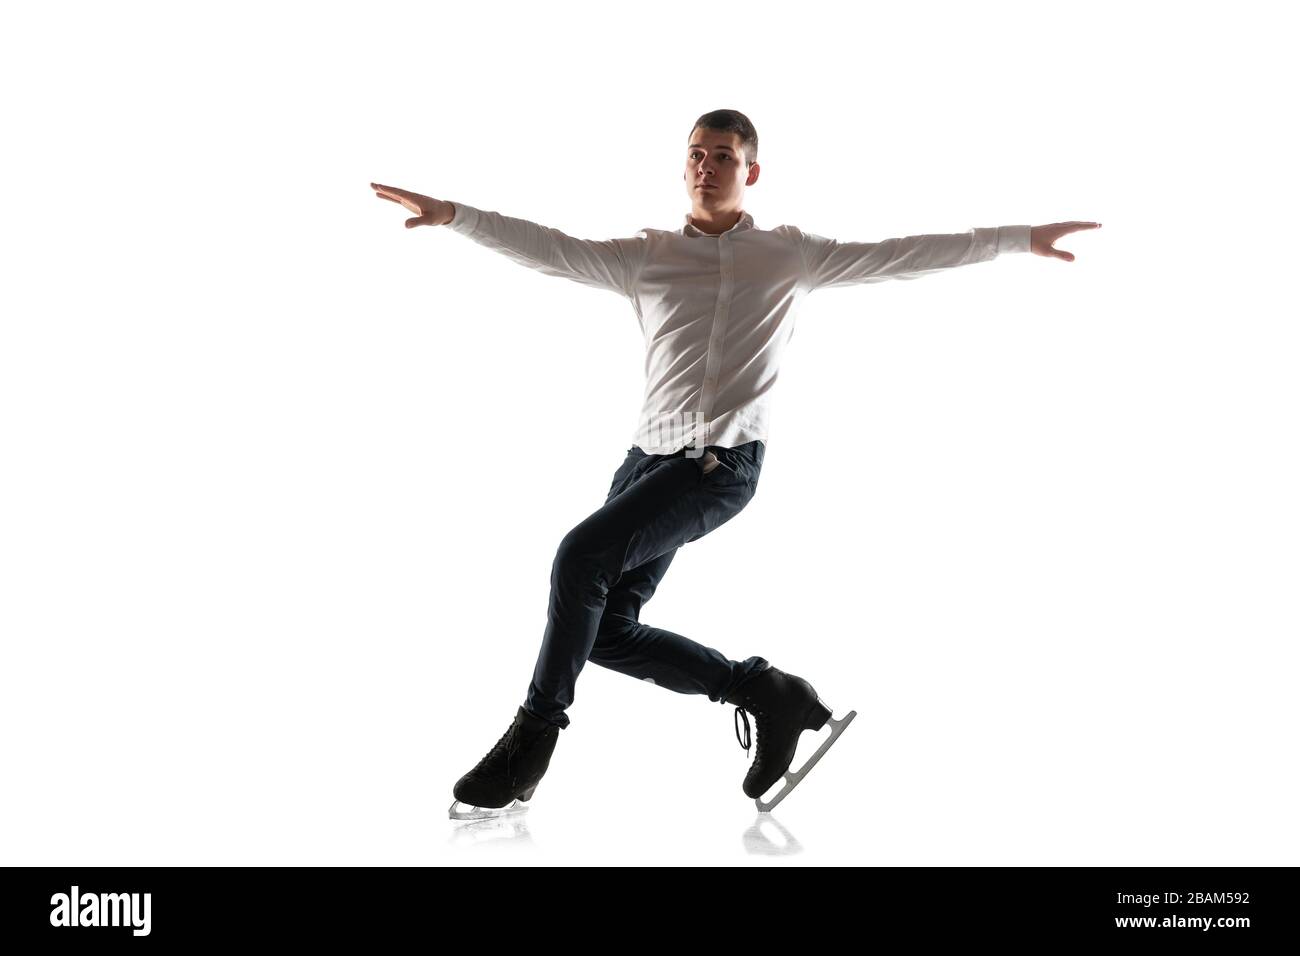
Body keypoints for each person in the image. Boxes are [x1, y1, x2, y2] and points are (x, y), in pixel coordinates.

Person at [371, 109, 1099, 817]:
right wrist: (453, 215)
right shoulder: (646, 256)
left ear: (752, 170)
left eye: (723, 156)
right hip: (643, 465)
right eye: (696, 154)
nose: (707, 167)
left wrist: (1019, 238)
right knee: (604, 628)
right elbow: (549, 246)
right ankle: (763, 691)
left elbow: (900, 255)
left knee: (576, 560)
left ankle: (533, 737)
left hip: (718, 467)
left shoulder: (787, 253)